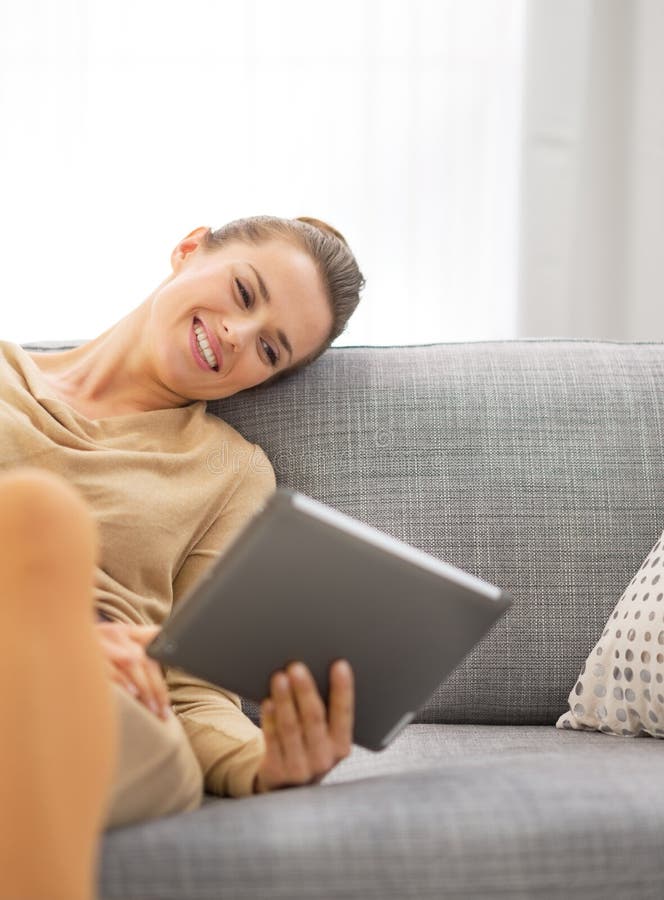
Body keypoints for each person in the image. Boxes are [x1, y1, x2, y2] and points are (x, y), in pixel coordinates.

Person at [0, 215, 365, 900]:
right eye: (244, 292)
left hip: (121, 707)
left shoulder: (230, 473)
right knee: (36, 520)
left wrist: (266, 762)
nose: (237, 335)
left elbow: (197, 690)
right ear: (190, 248)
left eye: (270, 349)